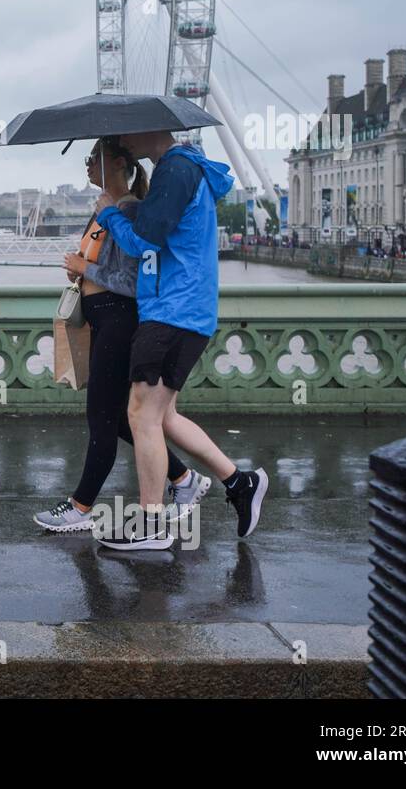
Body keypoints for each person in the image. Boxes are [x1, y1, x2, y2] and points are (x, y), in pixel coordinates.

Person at [92, 131, 269, 550]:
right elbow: (163, 229)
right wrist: (133, 209)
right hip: (183, 309)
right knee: (163, 416)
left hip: (174, 310)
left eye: (127, 133)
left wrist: (110, 214)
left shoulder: (175, 170)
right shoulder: (184, 169)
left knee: (141, 415)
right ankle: (240, 483)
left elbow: (142, 244)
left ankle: (152, 524)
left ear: (151, 128)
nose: (121, 141)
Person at [34, 138, 210, 533]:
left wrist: (87, 268)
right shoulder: (103, 210)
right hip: (102, 319)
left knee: (101, 416)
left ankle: (80, 507)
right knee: (114, 420)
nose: (86, 166)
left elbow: (132, 282)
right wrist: (82, 268)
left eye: (91, 158)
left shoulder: (128, 210)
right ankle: (183, 479)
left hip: (118, 319)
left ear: (115, 163)